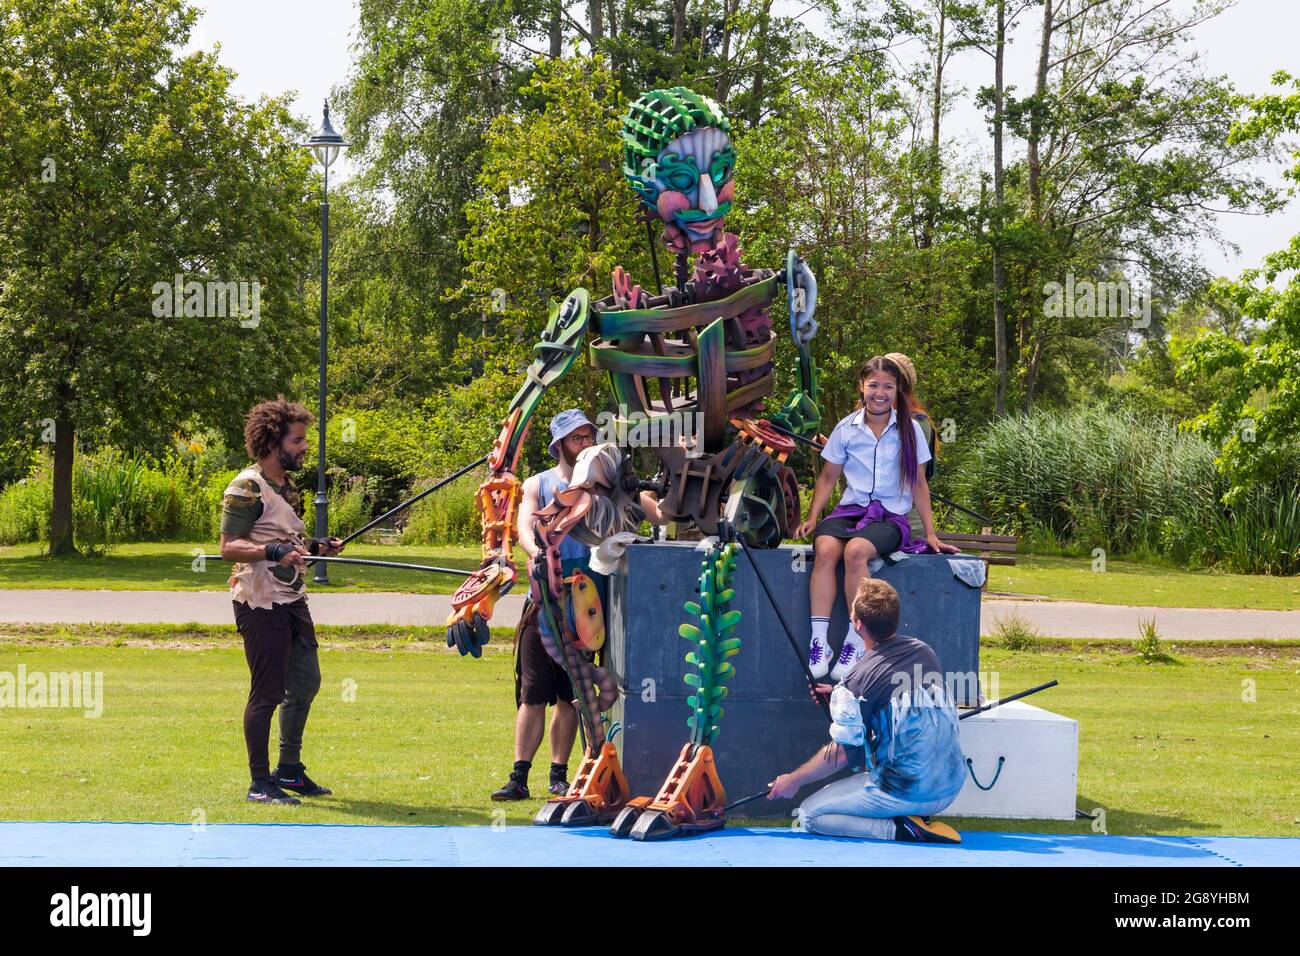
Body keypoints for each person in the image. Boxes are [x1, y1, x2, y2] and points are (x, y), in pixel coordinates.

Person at [491, 409, 667, 800]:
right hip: (546, 598)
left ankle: (560, 775)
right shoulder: (541, 483)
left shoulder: (609, 482)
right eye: (577, 438)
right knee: (533, 692)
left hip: (589, 605)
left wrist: (676, 483)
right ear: (560, 445)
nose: (585, 443)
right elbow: (524, 525)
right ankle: (518, 778)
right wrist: (537, 551)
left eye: (589, 436)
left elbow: (659, 514)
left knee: (574, 693)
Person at [794, 354, 959, 681]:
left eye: (887, 386)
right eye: (873, 385)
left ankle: (855, 640)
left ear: (897, 390)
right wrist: (813, 516)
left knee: (856, 551)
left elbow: (919, 483)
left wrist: (930, 533)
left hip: (890, 518)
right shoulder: (847, 427)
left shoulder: (911, 430)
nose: (879, 392)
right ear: (862, 387)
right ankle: (819, 641)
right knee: (825, 548)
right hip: (851, 511)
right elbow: (828, 477)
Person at [767, 578, 966, 843]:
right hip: (949, 789)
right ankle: (910, 817)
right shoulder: (925, 653)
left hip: (904, 793)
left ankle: (900, 830)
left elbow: (839, 755)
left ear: (857, 624)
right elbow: (894, 701)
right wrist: (846, 698)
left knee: (809, 815)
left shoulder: (856, 683)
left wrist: (793, 780)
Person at [219, 396, 343, 805]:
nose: (305, 447)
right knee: (267, 692)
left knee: (306, 681)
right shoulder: (247, 486)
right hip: (259, 603)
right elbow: (229, 547)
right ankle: (259, 783)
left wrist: (317, 547)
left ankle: (288, 771)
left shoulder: (285, 488)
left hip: (290, 600)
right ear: (274, 442)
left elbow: (289, 540)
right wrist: (272, 553)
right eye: (298, 440)